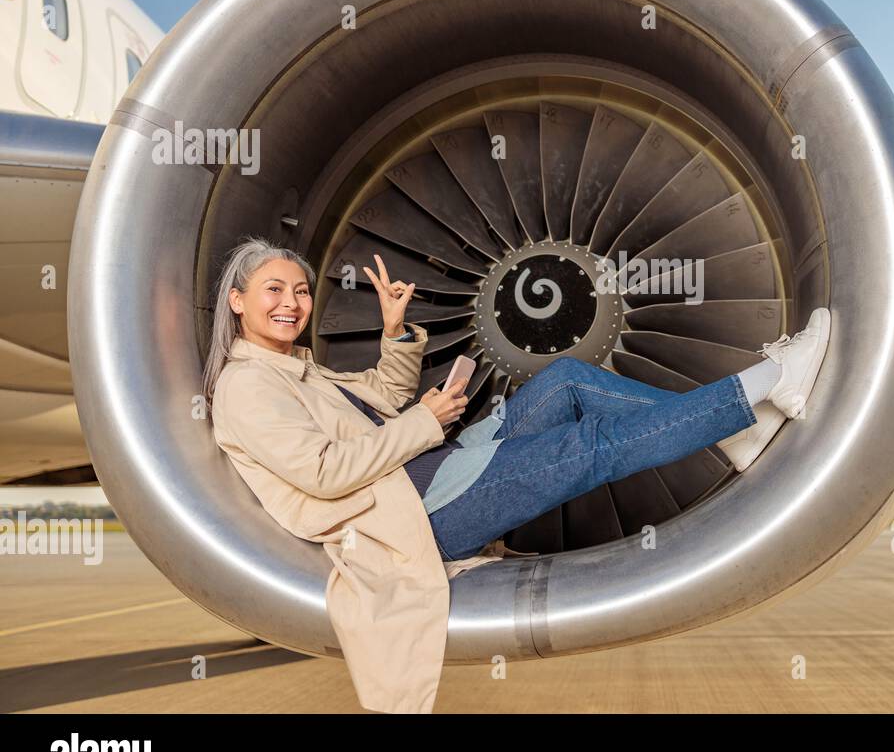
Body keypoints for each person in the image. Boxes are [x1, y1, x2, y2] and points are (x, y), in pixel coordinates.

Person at [205, 234, 829, 710]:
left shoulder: (297, 369)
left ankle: (732, 432)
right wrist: (426, 420)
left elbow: (379, 402)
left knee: (565, 380)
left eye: (300, 292)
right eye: (274, 291)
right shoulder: (247, 387)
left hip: (426, 475)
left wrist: (396, 334)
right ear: (237, 302)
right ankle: (762, 388)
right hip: (414, 516)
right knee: (586, 447)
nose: (292, 304)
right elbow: (323, 470)